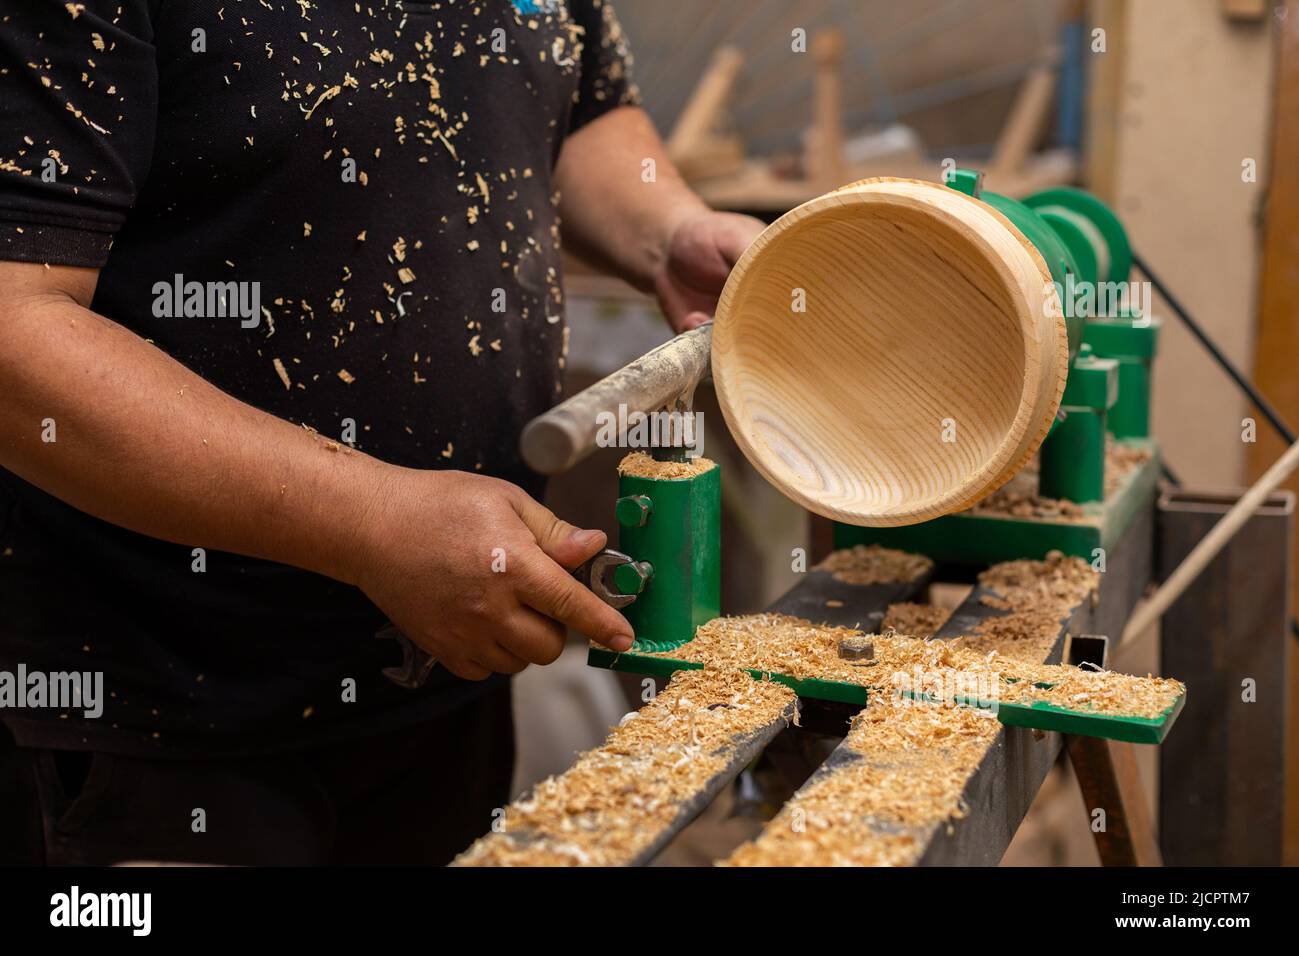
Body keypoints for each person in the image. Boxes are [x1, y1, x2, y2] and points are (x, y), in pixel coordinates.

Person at [0, 0, 764, 864]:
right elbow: (14, 330)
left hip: (447, 664)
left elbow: (578, 98)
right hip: (165, 710)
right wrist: (371, 521)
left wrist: (667, 231)